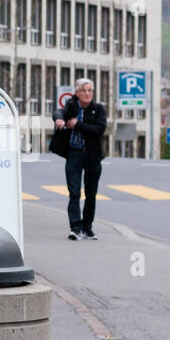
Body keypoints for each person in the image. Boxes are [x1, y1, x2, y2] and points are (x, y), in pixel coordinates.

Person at [53, 78, 107, 240]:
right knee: (74, 193)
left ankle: (87, 227)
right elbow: (59, 112)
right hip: (74, 155)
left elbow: (99, 129)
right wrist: (58, 119)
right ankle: (75, 228)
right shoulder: (71, 106)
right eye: (83, 91)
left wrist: (77, 125)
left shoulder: (98, 109)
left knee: (91, 194)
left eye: (90, 90)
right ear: (77, 93)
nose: (87, 93)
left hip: (93, 156)